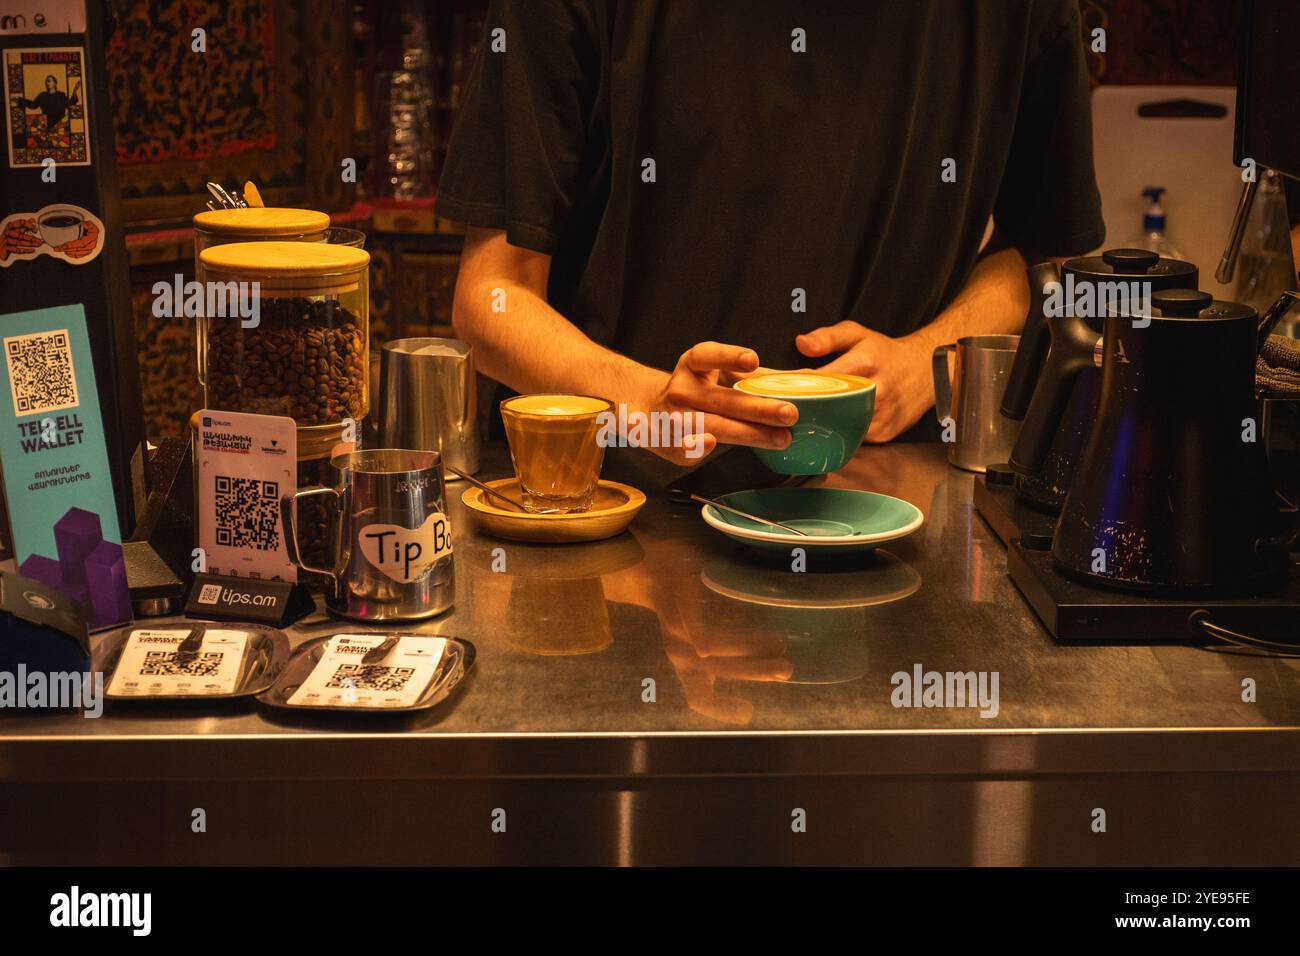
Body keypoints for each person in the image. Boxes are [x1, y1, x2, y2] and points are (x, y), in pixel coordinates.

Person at [439, 1, 1104, 464]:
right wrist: (651, 404)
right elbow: (490, 299)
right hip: (613, 514)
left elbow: (1049, 253)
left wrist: (931, 359)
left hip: (893, 513)